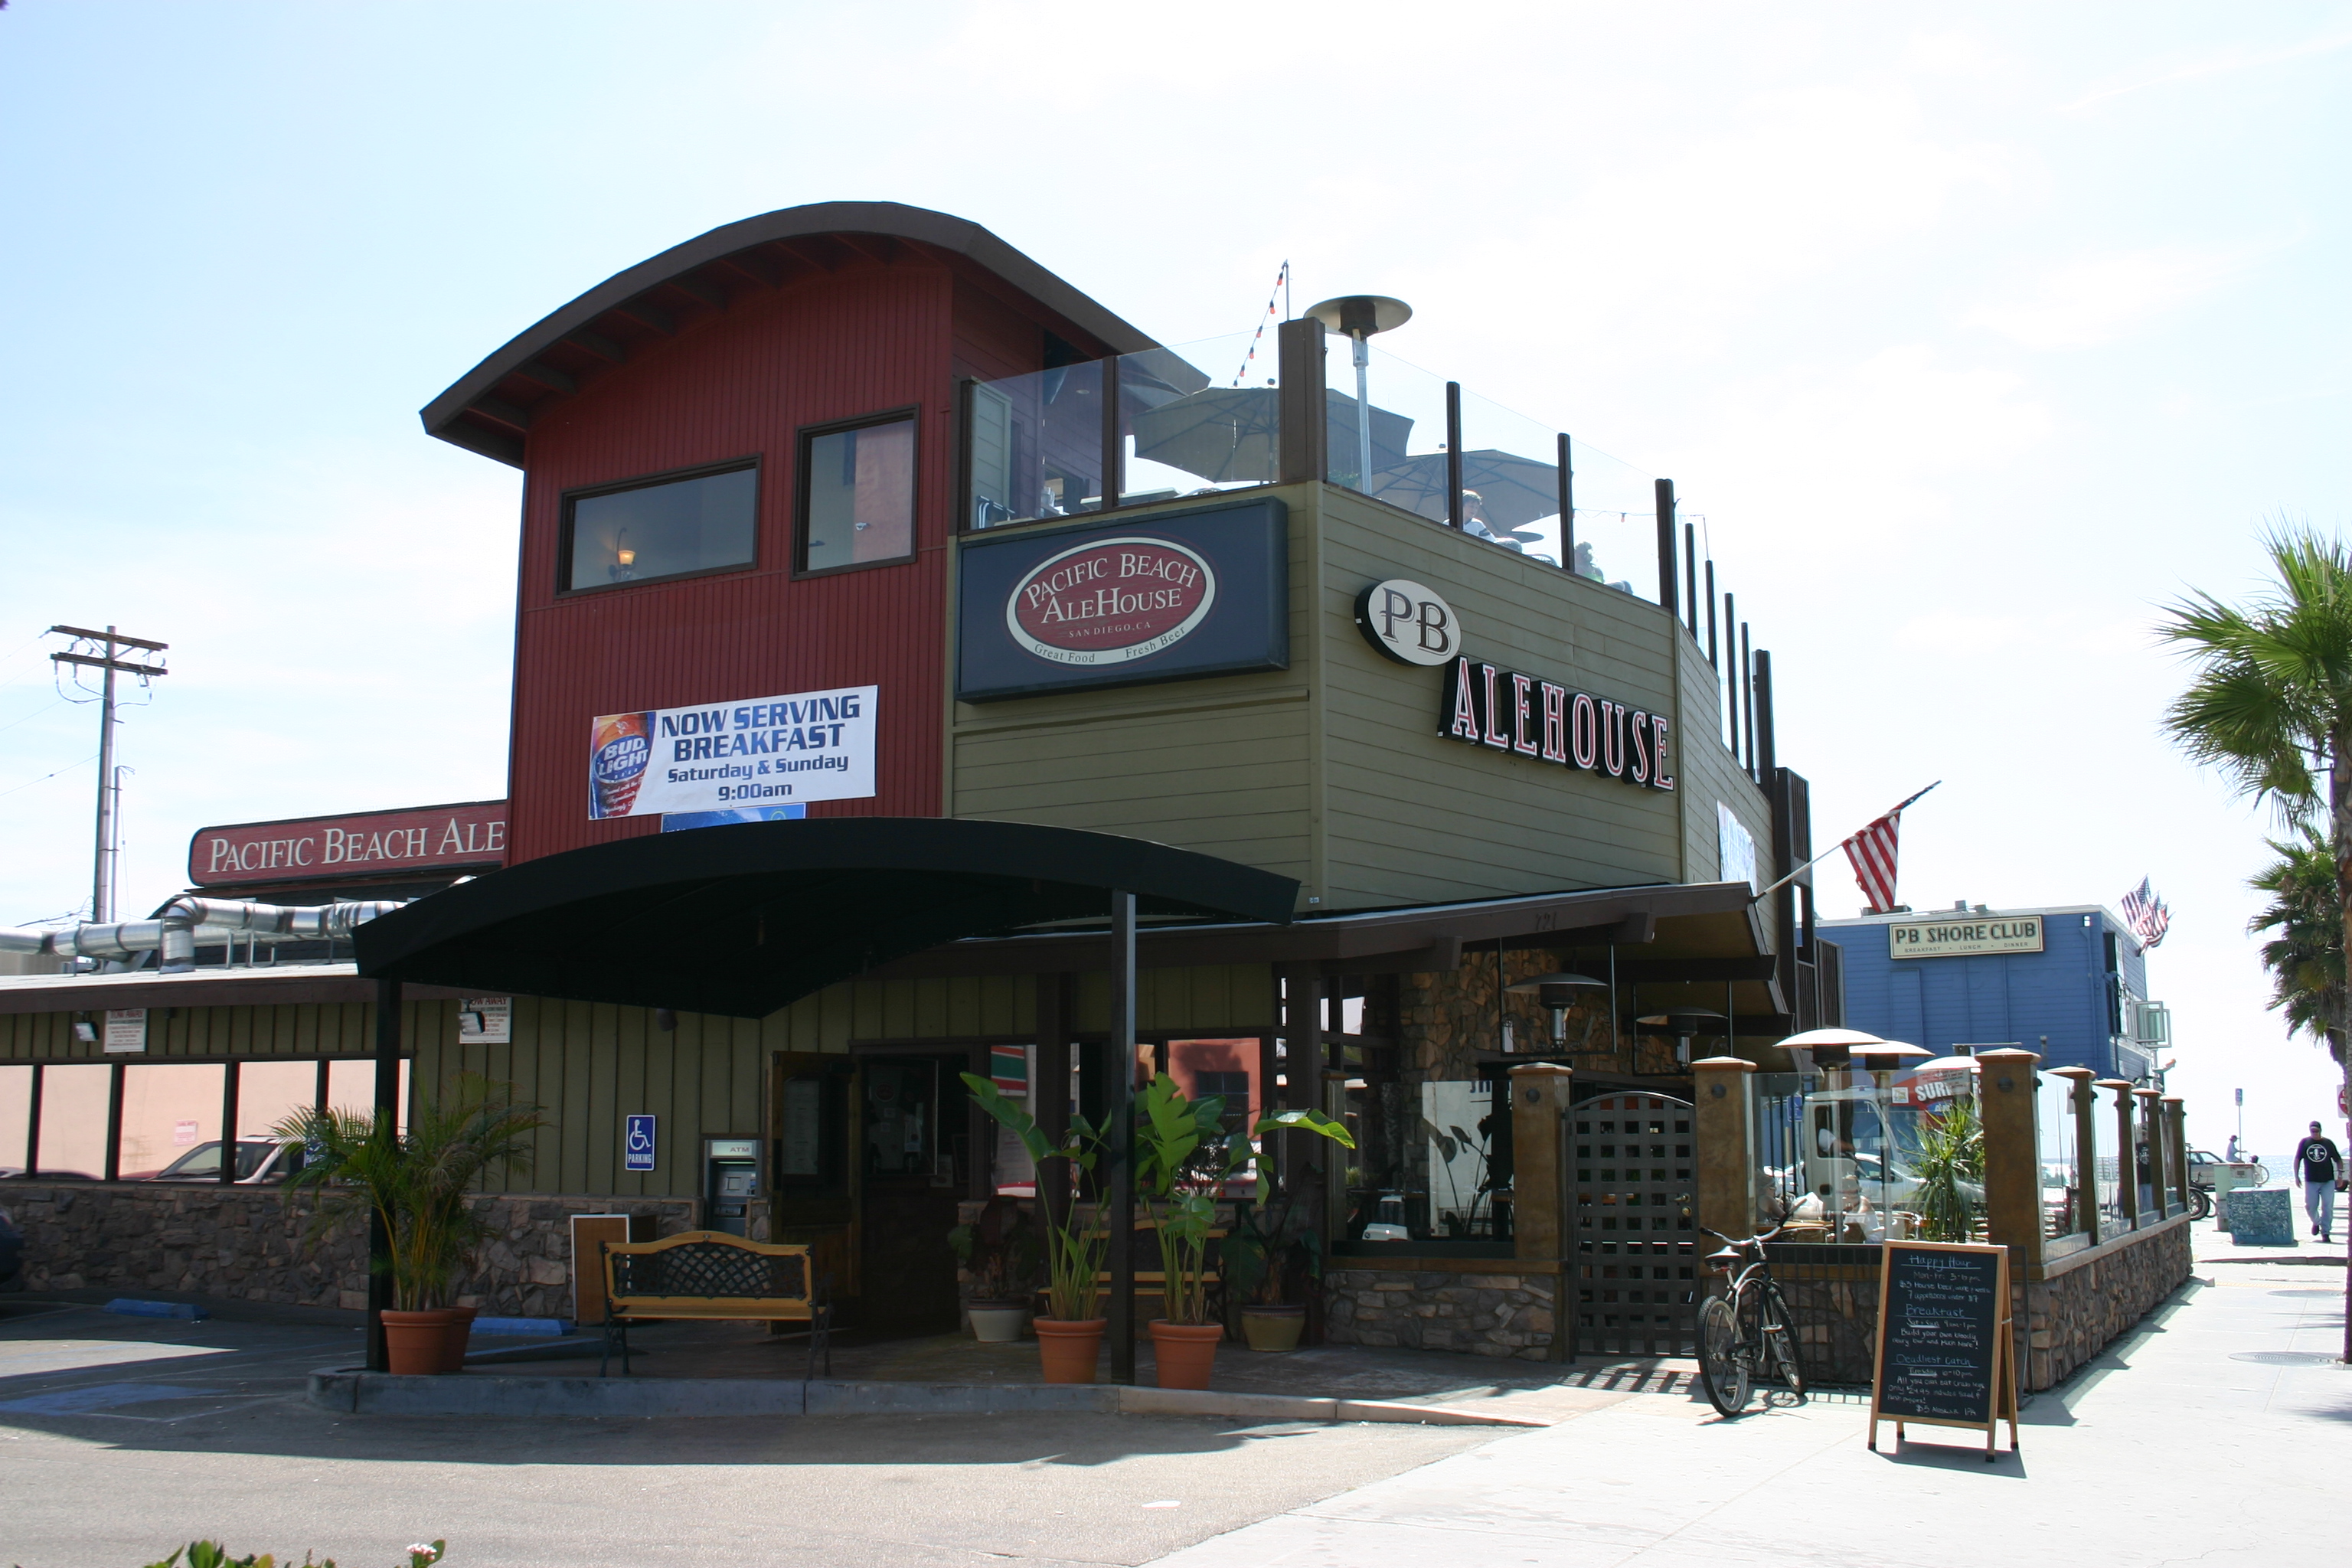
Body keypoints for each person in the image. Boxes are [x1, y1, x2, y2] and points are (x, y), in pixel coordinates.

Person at [2292, 1120, 2344, 1243]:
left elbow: (2338, 1159)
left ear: (2320, 1130)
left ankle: (2326, 1232)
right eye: (2312, 1131)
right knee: (2310, 1206)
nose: (2314, 1133)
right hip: (2311, 1180)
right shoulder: (2305, 1143)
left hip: (2328, 1180)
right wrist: (2296, 1176)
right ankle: (2316, 1222)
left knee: (2327, 1207)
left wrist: (2340, 1176)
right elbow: (2298, 1159)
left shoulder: (2328, 1143)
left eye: (2316, 1131)